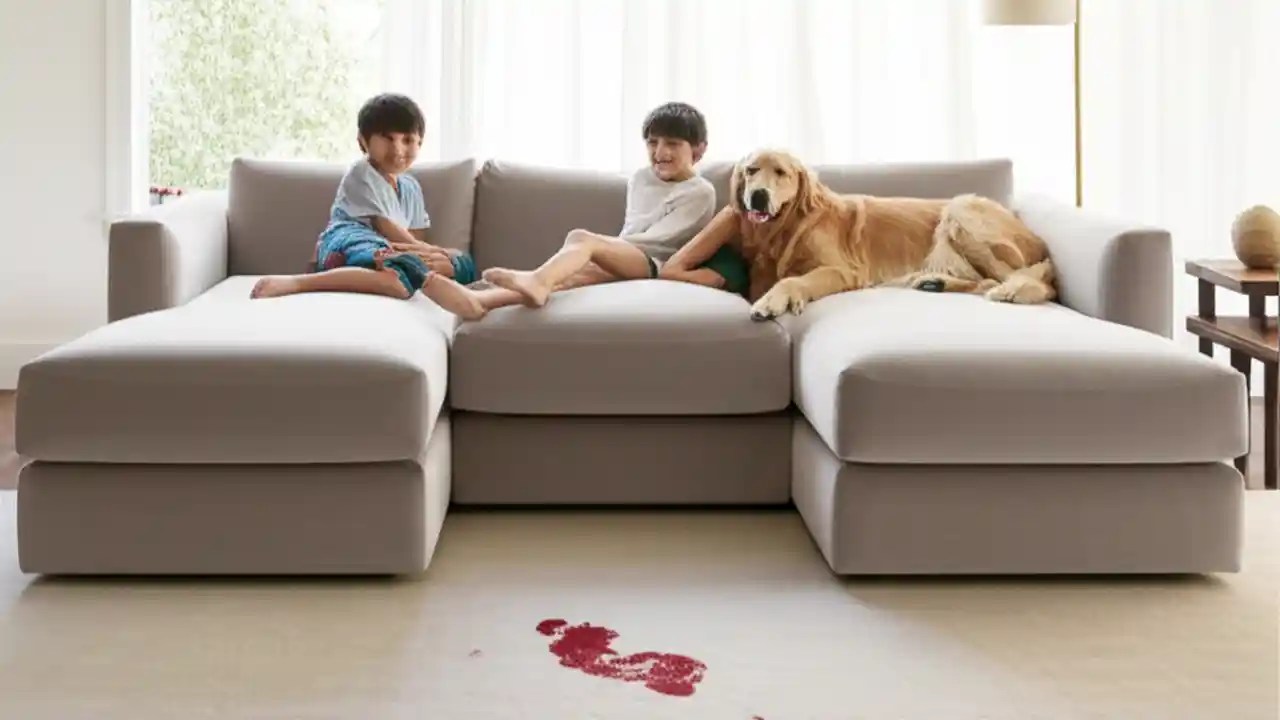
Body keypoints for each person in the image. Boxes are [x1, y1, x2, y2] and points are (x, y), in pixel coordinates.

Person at [480, 101, 750, 307]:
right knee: (573, 278)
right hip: (630, 256)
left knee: (580, 239)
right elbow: (633, 227)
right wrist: (608, 257)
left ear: (699, 150)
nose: (660, 153)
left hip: (657, 263)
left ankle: (535, 279)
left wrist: (603, 250)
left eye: (672, 144)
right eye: (652, 143)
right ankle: (481, 301)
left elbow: (660, 241)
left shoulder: (700, 192)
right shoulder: (641, 178)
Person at [250, 93, 486, 320]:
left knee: (464, 263)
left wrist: (439, 256)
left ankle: (407, 270)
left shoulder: (411, 187)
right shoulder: (362, 173)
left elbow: (413, 239)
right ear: (363, 140)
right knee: (401, 278)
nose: (398, 150)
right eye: (387, 139)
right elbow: (385, 227)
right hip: (349, 238)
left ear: (420, 143)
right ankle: (299, 282)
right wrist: (430, 253)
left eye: (407, 140)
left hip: (389, 248)